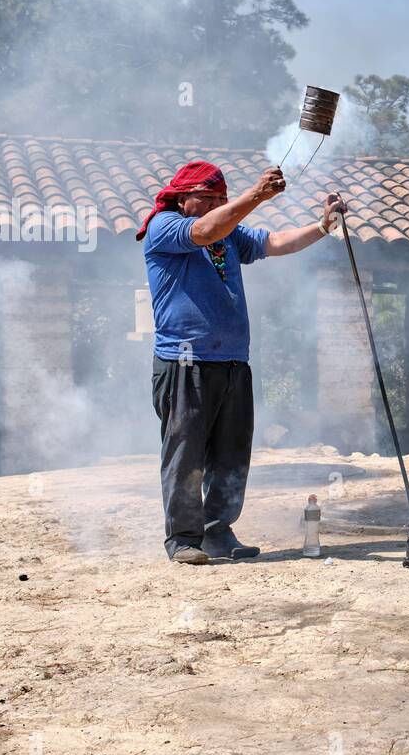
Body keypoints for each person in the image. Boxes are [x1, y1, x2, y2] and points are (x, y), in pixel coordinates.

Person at [138, 160, 345, 565]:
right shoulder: (166, 226)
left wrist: (324, 226)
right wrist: (257, 194)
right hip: (186, 362)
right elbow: (203, 231)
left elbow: (276, 242)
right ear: (183, 198)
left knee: (231, 455)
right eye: (208, 197)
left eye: (221, 198)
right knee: (186, 455)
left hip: (233, 361)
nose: (216, 204)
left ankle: (218, 532)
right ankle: (183, 538)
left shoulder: (229, 235)